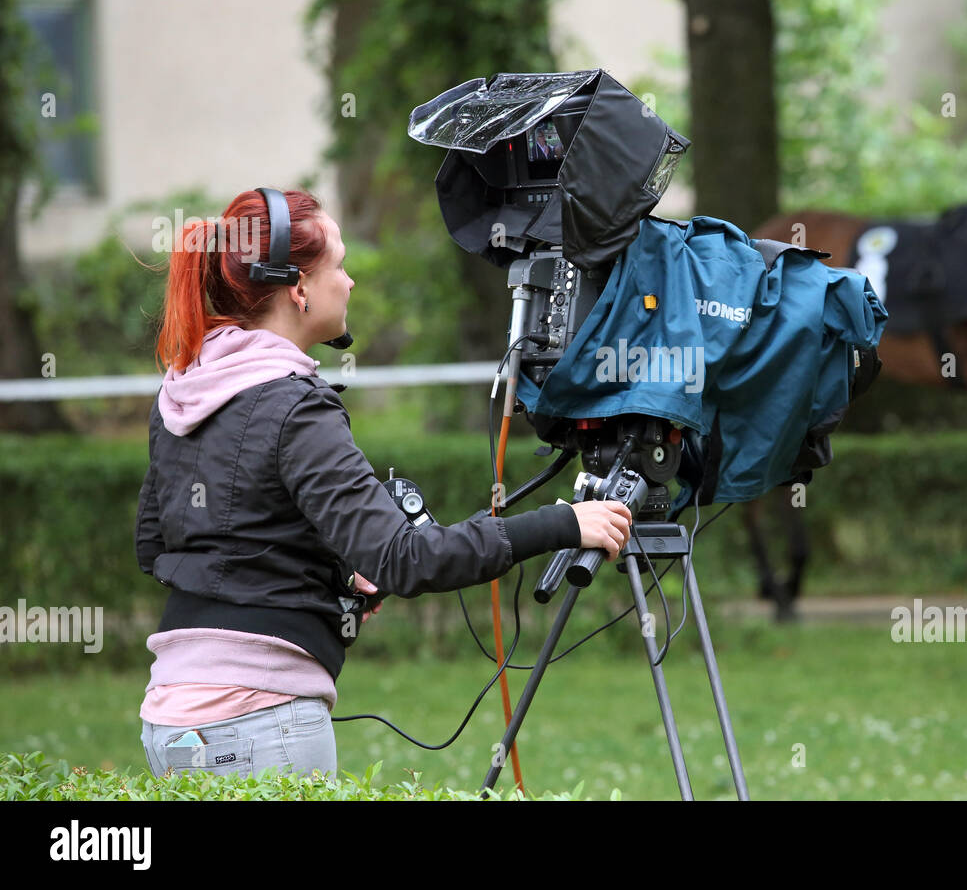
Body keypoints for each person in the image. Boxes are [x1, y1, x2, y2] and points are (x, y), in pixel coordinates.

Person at [135, 188, 632, 780]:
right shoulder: (295, 408)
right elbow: (408, 558)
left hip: (167, 720)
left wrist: (335, 581)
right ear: (298, 288)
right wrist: (565, 523)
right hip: (259, 723)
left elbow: (158, 547)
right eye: (338, 267)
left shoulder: (183, 393)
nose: (348, 283)